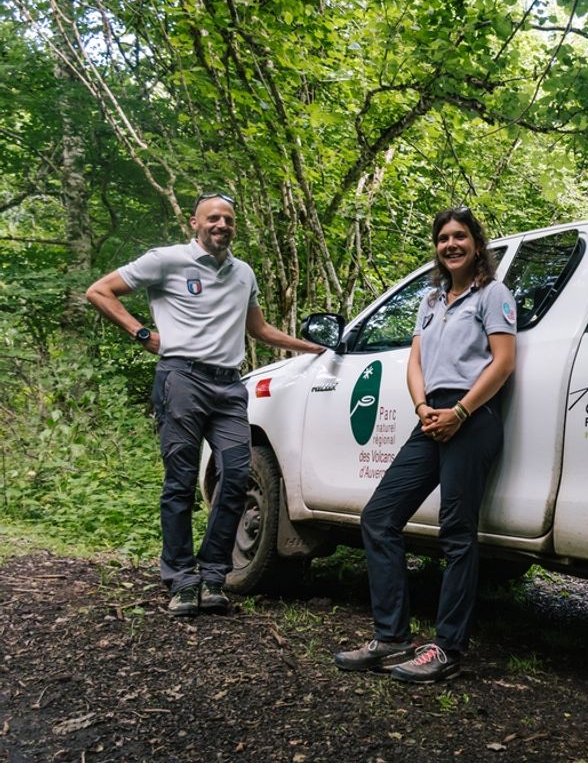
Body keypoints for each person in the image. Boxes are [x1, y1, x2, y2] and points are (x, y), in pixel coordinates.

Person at [86, 192, 324, 618]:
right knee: (179, 481)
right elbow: (100, 291)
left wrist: (310, 348)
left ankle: (214, 573)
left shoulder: (243, 273)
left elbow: (259, 329)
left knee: (235, 476)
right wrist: (142, 334)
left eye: (229, 220)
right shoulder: (167, 260)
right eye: (213, 218)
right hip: (181, 379)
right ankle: (180, 578)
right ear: (195, 223)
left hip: (229, 386)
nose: (222, 225)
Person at [334, 206, 517, 683]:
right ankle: (391, 636)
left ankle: (448, 648)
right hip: (430, 416)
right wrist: (423, 410)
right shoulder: (431, 300)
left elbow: (502, 362)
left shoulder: (493, 294)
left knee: (456, 533)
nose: (451, 244)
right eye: (443, 238)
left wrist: (460, 413)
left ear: (476, 244)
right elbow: (415, 363)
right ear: (437, 247)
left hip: (472, 417)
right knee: (379, 517)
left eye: (460, 236)